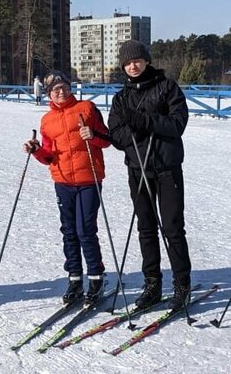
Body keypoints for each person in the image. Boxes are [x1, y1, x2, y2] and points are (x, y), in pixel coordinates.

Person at [106, 40, 193, 311]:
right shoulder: (121, 98)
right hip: (137, 169)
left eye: (138, 61)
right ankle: (152, 282)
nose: (134, 66)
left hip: (166, 167)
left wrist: (144, 121)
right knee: (146, 227)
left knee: (172, 228)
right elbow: (116, 135)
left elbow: (177, 124)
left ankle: (182, 284)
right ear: (123, 66)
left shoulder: (167, 88)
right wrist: (135, 132)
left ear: (146, 61)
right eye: (128, 62)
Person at [23, 71, 111, 306]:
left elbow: (106, 139)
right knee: (69, 231)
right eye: (55, 89)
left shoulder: (87, 108)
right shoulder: (47, 121)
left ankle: (95, 278)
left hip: (88, 178)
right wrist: (36, 150)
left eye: (63, 87)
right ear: (49, 93)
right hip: (62, 180)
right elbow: (49, 156)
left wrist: (91, 135)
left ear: (70, 87)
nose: (60, 92)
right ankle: (74, 278)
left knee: (85, 230)